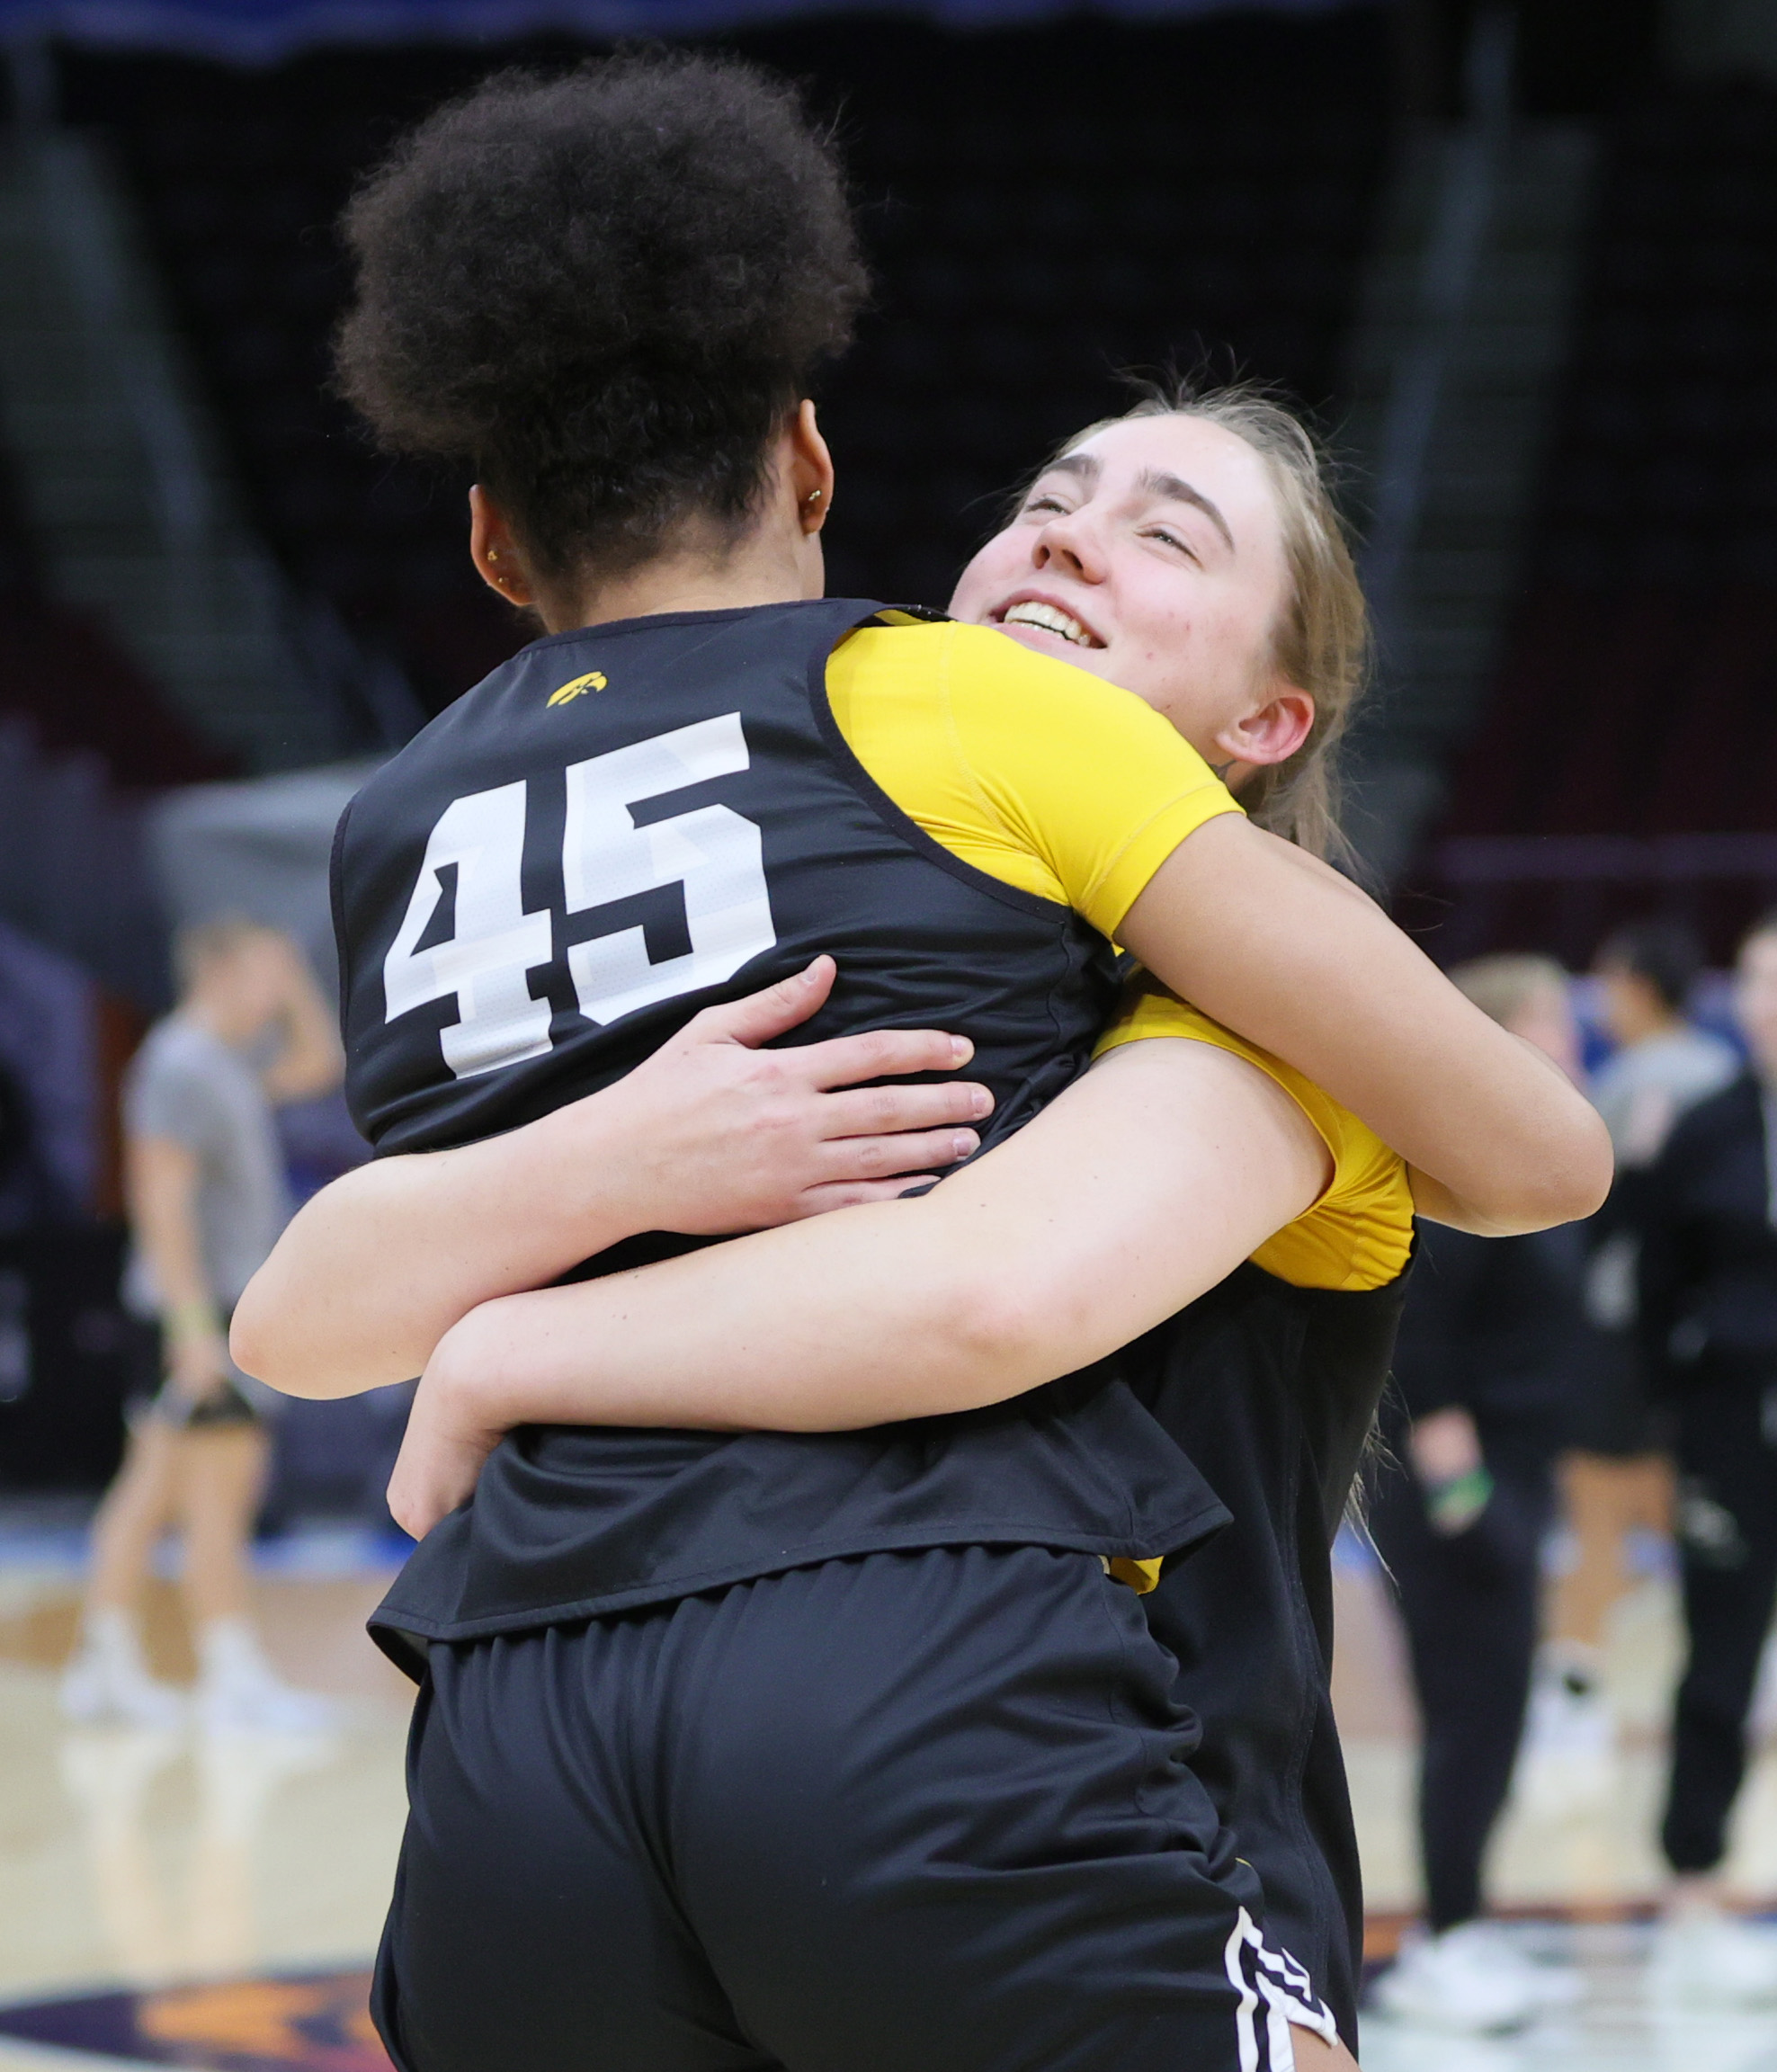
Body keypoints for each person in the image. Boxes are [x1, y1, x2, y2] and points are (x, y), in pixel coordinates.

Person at [234, 55, 1607, 2072]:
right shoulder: (926, 726)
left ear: (1263, 715)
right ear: (815, 470)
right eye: (1043, 503)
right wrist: (615, 1171)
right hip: (967, 1720)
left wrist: (522, 1328)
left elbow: (318, 1303)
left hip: (508, 1723)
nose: (1066, 543)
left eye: (1163, 537)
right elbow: (987, 1290)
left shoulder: (419, 828)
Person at [1365, 957, 1590, 2033]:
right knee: (1469, 1714)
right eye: (1547, 1024)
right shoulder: (1463, 1165)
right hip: (1461, 1490)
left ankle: (1466, 1924)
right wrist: (1469, 1508)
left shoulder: (1524, 1161)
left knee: (1491, 1713)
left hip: (1511, 1476)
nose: (1568, 1043)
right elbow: (1428, 1343)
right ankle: (1442, 1939)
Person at [61, 920, 344, 1733]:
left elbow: (318, 1064)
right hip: (198, 1312)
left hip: (196, 1311)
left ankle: (102, 1666)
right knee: (221, 1497)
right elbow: (160, 1200)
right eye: (261, 972)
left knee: (149, 1491)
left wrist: (292, 981)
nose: (272, 993)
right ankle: (232, 1679)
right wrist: (193, 1332)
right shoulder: (180, 1064)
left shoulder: (225, 1061)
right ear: (218, 971)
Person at [1538, 920, 1737, 1755]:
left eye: (1609, 984)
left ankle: (1572, 1695)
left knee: (1596, 1519)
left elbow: (1598, 1216)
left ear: (1639, 988)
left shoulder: (1632, 1087)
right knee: (1701, 1515)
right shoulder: (1730, 1077)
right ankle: (1729, 1676)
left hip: (1623, 1343)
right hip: (1712, 1345)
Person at [1638, 910, 1777, 2005]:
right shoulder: (1706, 1132)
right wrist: (1665, 1418)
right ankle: (1690, 1890)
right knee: (1716, 1668)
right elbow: (1650, 1286)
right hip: (1729, 1441)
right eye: (1755, 982)